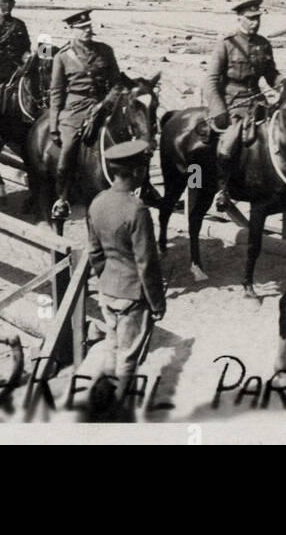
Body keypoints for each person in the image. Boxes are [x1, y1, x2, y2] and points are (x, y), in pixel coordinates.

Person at [85, 138, 167, 413]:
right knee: (129, 359)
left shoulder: (97, 202)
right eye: (142, 168)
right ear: (136, 172)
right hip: (133, 295)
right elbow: (147, 262)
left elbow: (95, 252)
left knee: (112, 346)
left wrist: (106, 280)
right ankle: (117, 414)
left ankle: (103, 398)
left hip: (107, 291)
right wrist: (157, 302)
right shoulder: (137, 210)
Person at [204, 0, 286, 209]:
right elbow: (211, 80)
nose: (255, 22)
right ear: (240, 18)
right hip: (233, 103)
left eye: (258, 18)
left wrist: (281, 83)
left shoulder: (263, 44)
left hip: (258, 102)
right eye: (251, 18)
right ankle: (222, 190)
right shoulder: (226, 44)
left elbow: (270, 74)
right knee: (231, 141)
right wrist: (218, 108)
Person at [49, 9, 121, 219]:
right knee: (69, 147)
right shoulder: (62, 57)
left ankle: (141, 186)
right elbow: (56, 92)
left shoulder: (105, 51)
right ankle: (62, 198)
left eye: (88, 26)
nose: (87, 30)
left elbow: (117, 82)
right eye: (82, 28)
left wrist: (107, 102)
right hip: (76, 109)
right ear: (72, 30)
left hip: (104, 105)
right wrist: (54, 125)